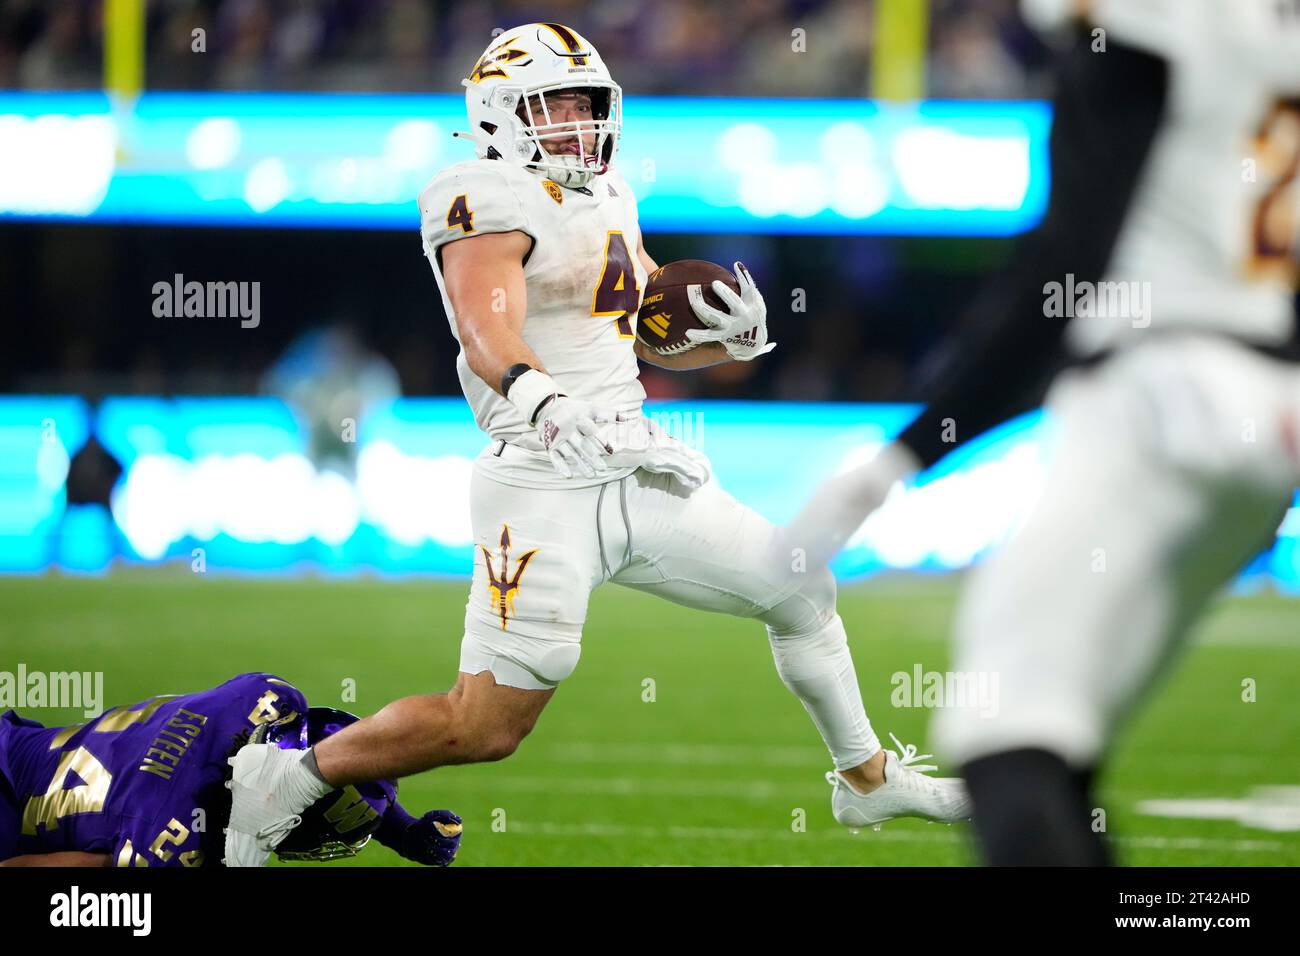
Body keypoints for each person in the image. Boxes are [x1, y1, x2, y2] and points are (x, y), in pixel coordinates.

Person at [222, 21, 969, 867]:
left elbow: (641, 326)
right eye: (556, 105)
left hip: (632, 460)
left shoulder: (606, 187)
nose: (578, 123)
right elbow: (484, 327)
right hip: (542, 477)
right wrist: (541, 399)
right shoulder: (478, 194)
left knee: (799, 587)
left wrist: (728, 340)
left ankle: (864, 780)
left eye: (586, 104)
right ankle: (287, 779)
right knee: (485, 726)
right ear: (502, 114)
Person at [782, 0, 1300, 864]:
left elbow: (1065, 271)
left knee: (1003, 738)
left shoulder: (1149, 21)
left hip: (1159, 395)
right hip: (1268, 408)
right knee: (1063, 745)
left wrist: (904, 456)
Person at [0, 672, 461, 867]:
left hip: (19, 746)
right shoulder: (175, 837)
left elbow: (315, 765)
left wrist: (399, 831)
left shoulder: (269, 698)